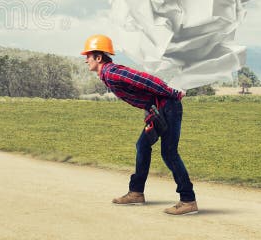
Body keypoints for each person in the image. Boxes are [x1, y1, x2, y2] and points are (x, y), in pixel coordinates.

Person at [81, 34, 198, 215]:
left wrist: (172, 93)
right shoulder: (107, 74)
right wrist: (150, 110)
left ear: (98, 57)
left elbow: (145, 80)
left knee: (169, 153)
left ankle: (188, 200)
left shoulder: (112, 72)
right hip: (158, 109)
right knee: (142, 145)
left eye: (88, 55)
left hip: (168, 106)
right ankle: (136, 193)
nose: (85, 59)